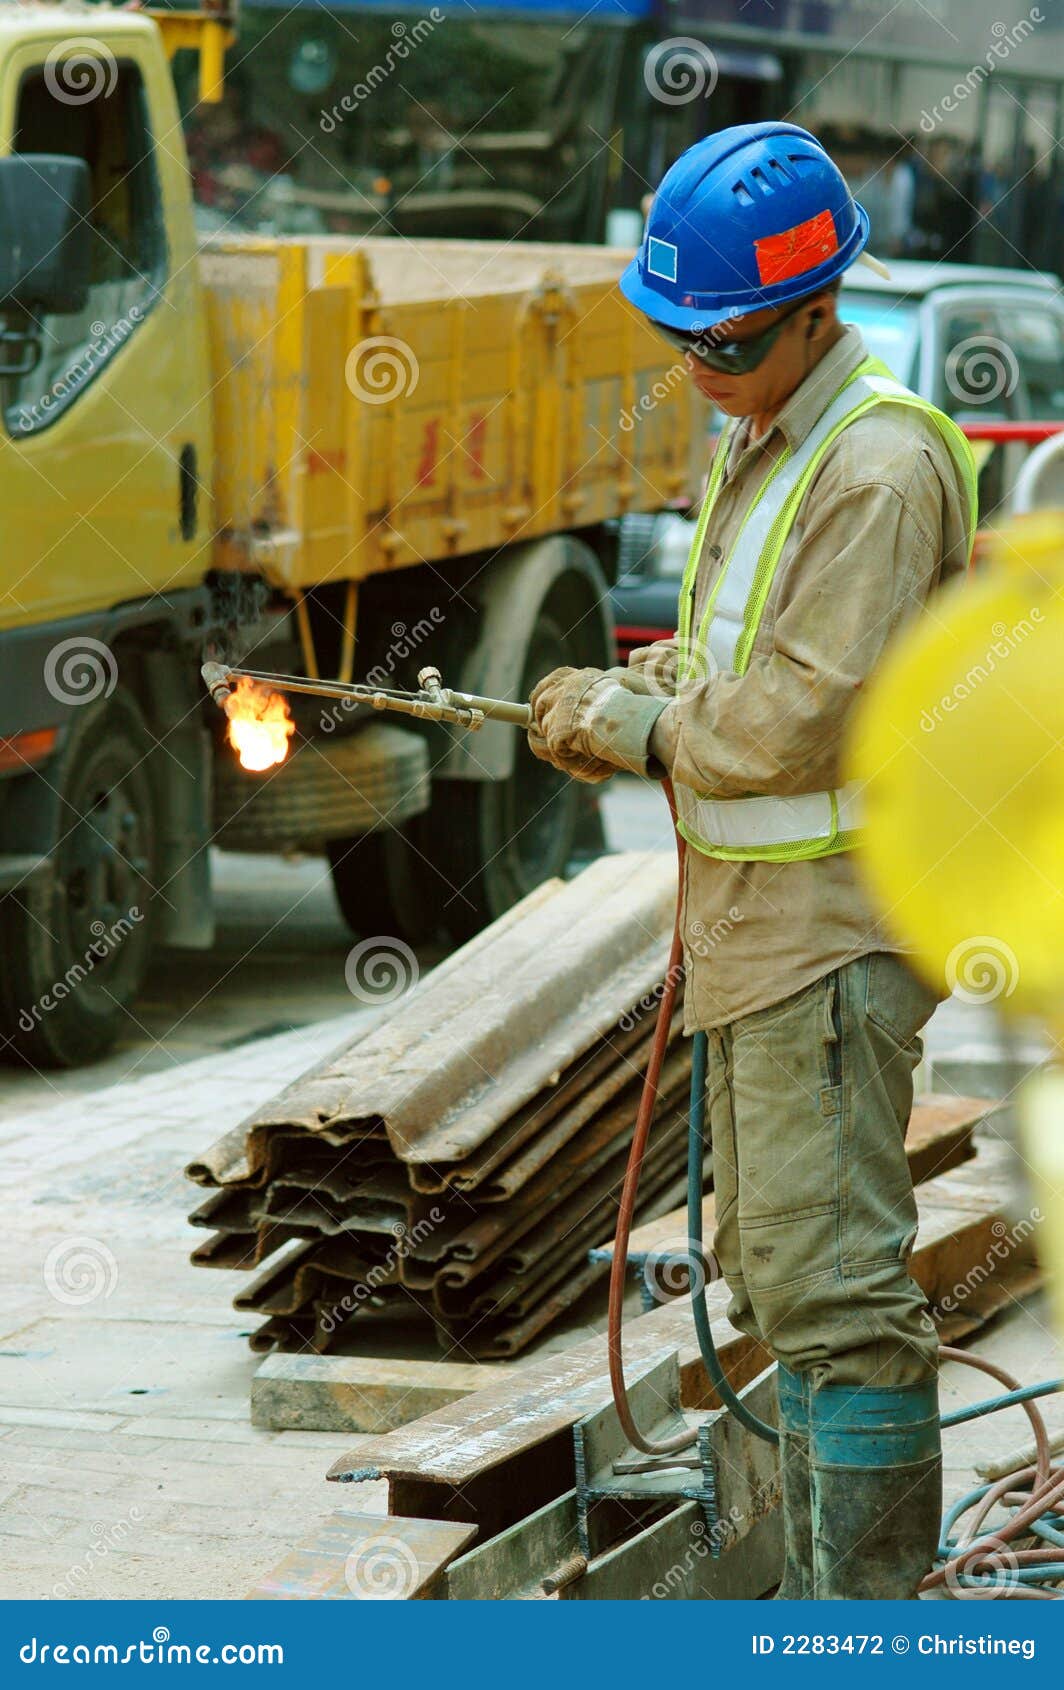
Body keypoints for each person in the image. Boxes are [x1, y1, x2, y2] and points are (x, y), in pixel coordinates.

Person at [528, 122, 977, 1600]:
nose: (697, 372)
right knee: (780, 1275)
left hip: (827, 937)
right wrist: (646, 694)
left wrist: (635, 722)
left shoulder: (879, 465)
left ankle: (869, 1625)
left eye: (717, 345)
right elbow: (744, 657)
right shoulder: (766, 433)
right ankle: (813, 1599)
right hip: (754, 924)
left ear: (813, 309)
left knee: (834, 1296)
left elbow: (797, 714)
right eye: (680, 342)